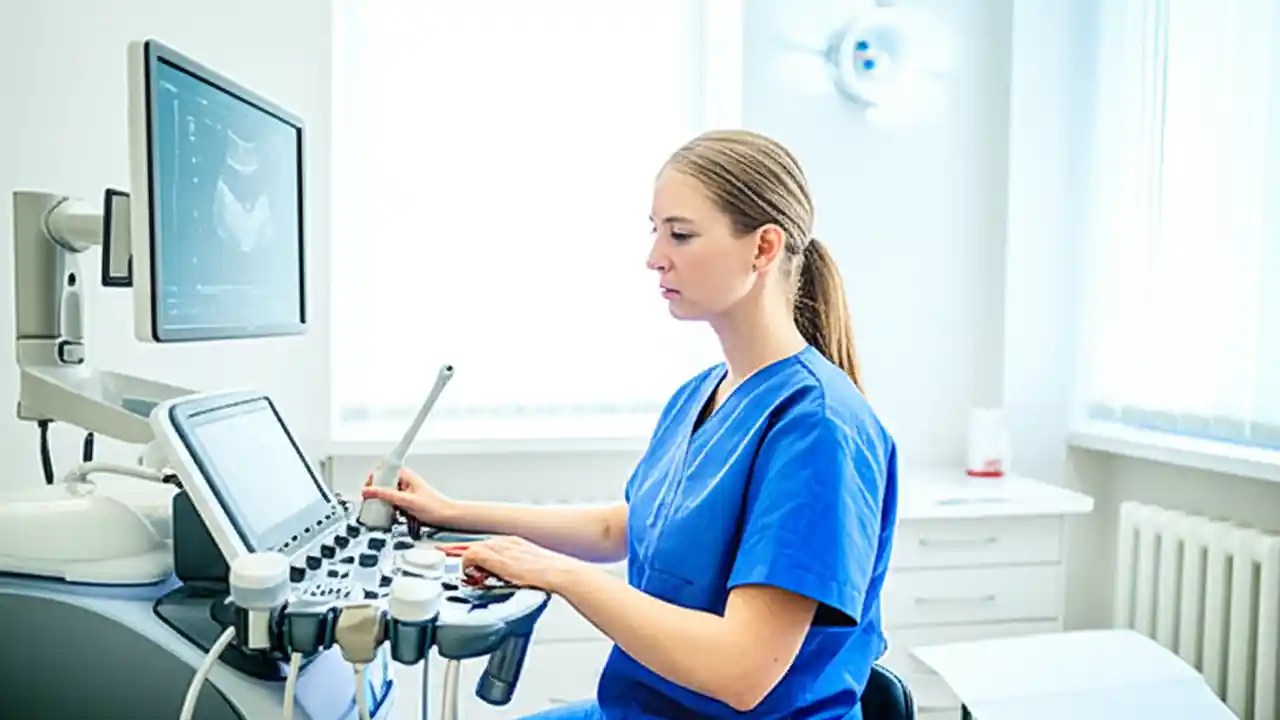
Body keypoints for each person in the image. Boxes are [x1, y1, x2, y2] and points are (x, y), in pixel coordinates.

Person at [362, 129, 899, 718]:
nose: (654, 256)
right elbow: (622, 528)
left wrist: (555, 574)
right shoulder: (702, 394)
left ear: (763, 248)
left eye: (681, 234)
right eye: (656, 230)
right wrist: (455, 512)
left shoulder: (819, 428)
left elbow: (741, 671)